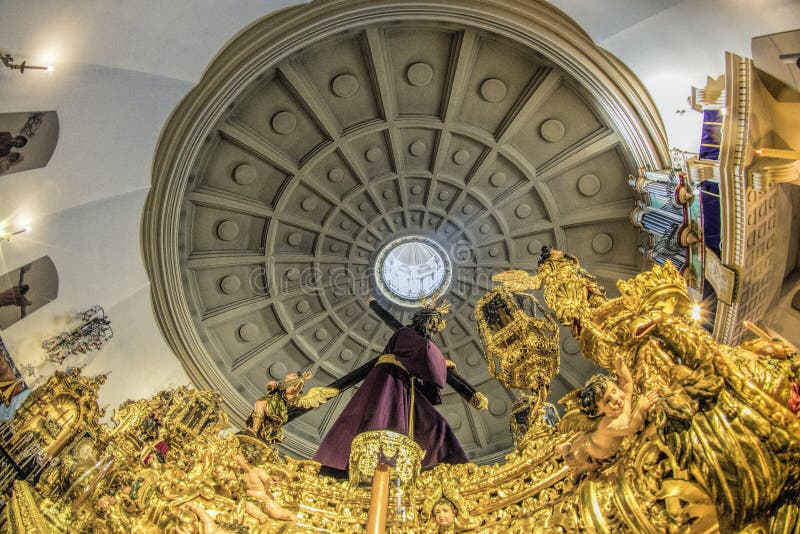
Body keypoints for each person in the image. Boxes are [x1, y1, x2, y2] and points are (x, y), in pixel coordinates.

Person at [314, 299, 468, 473]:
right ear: (423, 320)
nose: (434, 328)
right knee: (382, 420)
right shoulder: (405, 334)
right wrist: (441, 362)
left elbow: (427, 381)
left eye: (437, 326)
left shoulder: (422, 347)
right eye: (433, 323)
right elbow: (424, 353)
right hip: (388, 381)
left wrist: (438, 368)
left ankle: (440, 469)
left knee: (435, 425)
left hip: (407, 386)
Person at [557, 355, 658, 478]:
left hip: (602, 447)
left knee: (594, 465)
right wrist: (641, 408)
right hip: (588, 448)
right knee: (572, 461)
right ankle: (566, 450)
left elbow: (626, 382)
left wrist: (620, 366)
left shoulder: (623, 400)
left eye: (614, 391)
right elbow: (631, 427)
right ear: (598, 412)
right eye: (607, 401)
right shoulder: (607, 425)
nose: (616, 399)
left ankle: (575, 453)